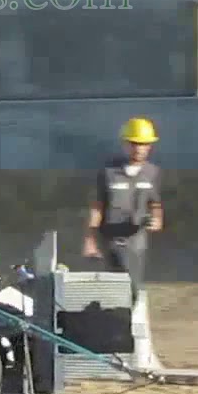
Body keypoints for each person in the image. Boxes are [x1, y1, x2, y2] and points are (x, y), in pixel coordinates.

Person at [82, 116, 164, 301]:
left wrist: (157, 220)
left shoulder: (152, 173)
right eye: (134, 143)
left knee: (134, 287)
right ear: (126, 144)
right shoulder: (108, 172)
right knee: (116, 284)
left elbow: (155, 204)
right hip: (111, 239)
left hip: (137, 240)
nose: (139, 148)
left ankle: (125, 321)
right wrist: (90, 239)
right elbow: (97, 207)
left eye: (144, 144)